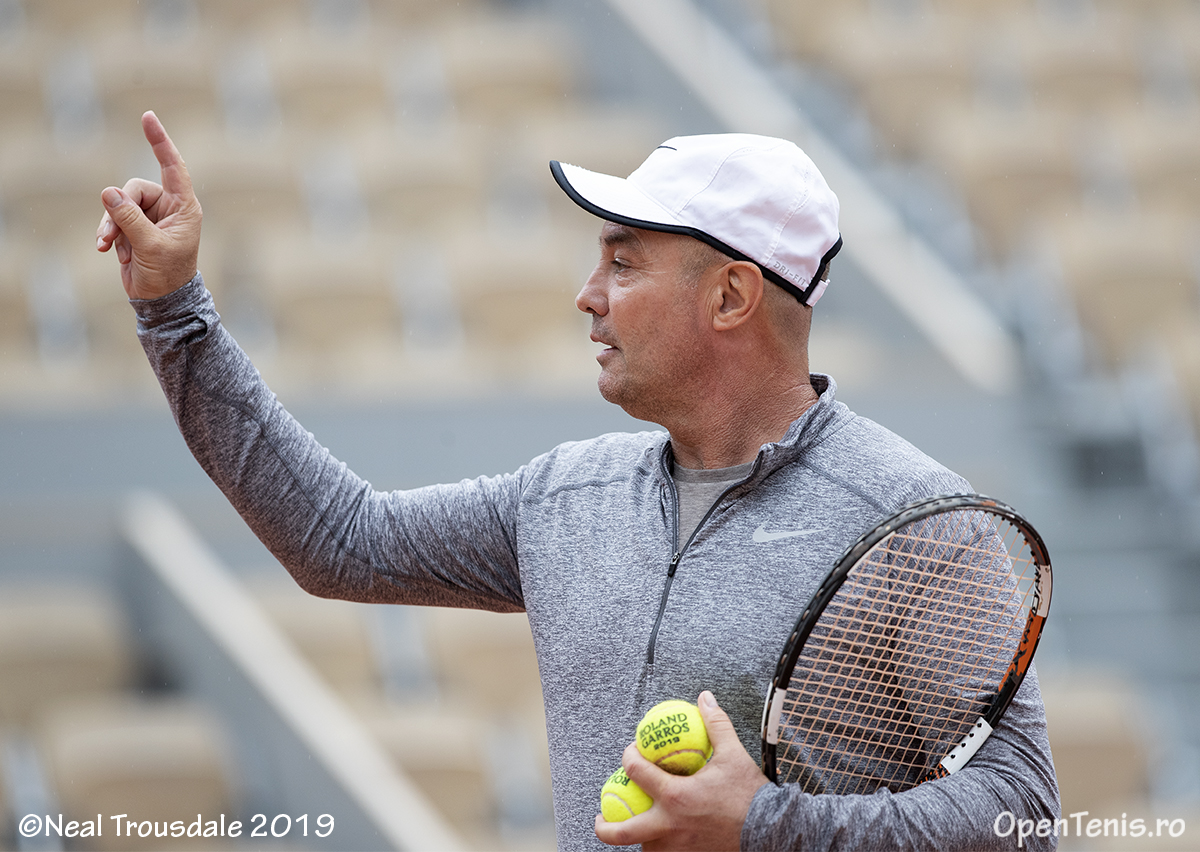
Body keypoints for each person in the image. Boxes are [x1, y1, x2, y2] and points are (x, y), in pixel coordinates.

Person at [97, 112, 1059, 851]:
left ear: (730, 296)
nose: (586, 294)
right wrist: (176, 311)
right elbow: (335, 538)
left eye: (622, 261)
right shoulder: (566, 496)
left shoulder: (915, 521)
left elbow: (1025, 809)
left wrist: (767, 825)